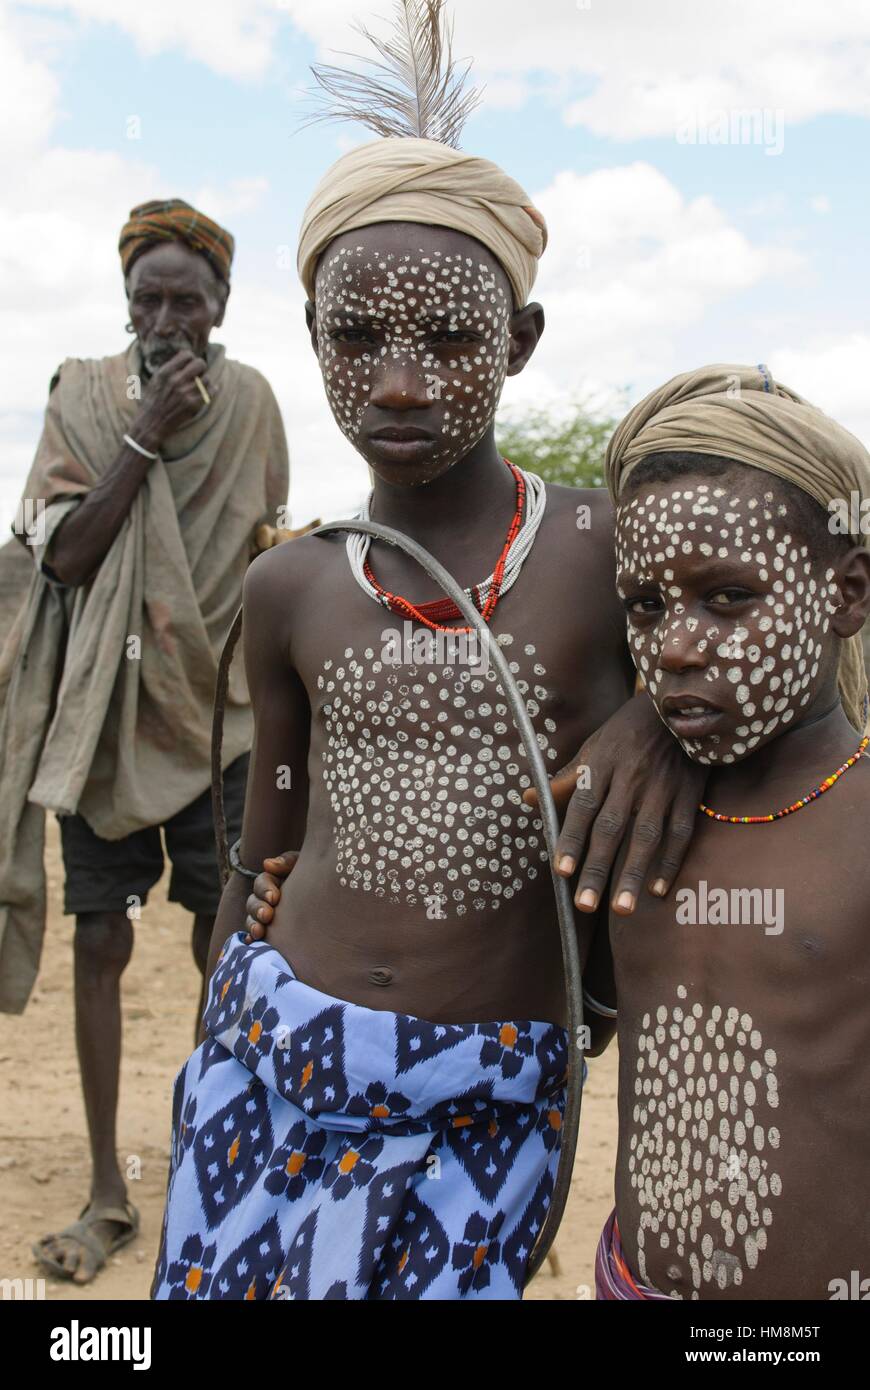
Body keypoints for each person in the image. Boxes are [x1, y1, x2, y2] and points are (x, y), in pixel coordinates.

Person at [150, 7, 706, 1302]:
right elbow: (262, 844)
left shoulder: (598, 551)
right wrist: (205, 1061)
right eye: (358, 341)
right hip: (274, 1045)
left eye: (451, 342)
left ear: (519, 343)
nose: (399, 383)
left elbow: (764, 678)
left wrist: (654, 722)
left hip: (496, 1080)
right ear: (312, 343)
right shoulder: (289, 586)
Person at [0, 197, 289, 1283]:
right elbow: (67, 554)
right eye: (146, 299)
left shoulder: (255, 400)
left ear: (223, 305)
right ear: (126, 303)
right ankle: (109, 1187)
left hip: (223, 723)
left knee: (233, 945)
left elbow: (265, 546)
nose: (166, 318)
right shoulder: (83, 396)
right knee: (103, 941)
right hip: (108, 726)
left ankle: (225, 1151)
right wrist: (144, 434)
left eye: (187, 299)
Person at [592, 364, 870, 1299]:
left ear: (848, 593)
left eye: (726, 598)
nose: (674, 646)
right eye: (646, 605)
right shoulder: (623, 814)